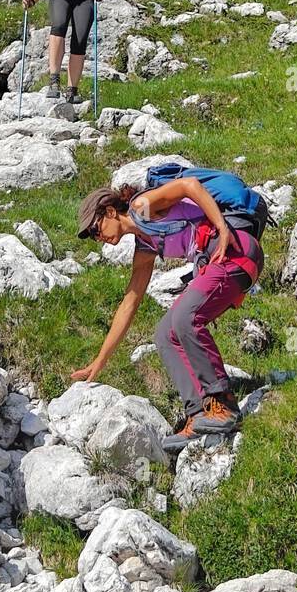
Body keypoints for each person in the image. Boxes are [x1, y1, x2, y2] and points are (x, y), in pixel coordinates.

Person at [73, 175, 265, 451]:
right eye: (92, 235)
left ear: (111, 211)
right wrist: (100, 362)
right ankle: (198, 414)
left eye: (95, 227)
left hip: (235, 252)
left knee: (184, 317)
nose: (97, 236)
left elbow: (189, 186)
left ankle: (222, 404)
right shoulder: (146, 246)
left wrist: (222, 228)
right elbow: (130, 302)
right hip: (221, 264)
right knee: (165, 333)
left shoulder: (143, 207)